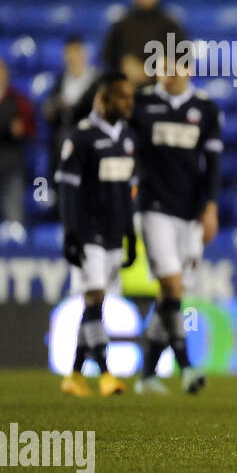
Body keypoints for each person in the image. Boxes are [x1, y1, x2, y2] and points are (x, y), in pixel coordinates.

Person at [128, 61, 222, 395]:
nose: (170, 73)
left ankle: (147, 376)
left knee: (171, 294)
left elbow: (212, 164)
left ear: (188, 68)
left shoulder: (206, 108)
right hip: (154, 208)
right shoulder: (141, 104)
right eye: (163, 66)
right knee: (172, 284)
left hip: (191, 212)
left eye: (177, 66)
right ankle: (187, 367)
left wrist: (210, 207)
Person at [55, 73, 137, 398]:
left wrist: (130, 234)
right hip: (89, 233)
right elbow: (67, 189)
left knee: (94, 305)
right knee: (96, 297)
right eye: (122, 97)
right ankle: (105, 373)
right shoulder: (81, 137)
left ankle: (74, 375)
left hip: (115, 232)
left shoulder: (127, 140)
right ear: (101, 101)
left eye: (130, 97)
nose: (129, 103)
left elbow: (127, 191)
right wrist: (71, 232)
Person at [100, 0, 188, 76]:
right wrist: (123, 65)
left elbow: (184, 61)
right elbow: (107, 58)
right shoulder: (122, 25)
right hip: (127, 85)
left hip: (160, 86)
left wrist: (153, 71)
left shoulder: (170, 26)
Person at [43, 36, 98, 178]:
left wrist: (73, 107)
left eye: (75, 52)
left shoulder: (97, 80)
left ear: (84, 54)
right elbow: (50, 114)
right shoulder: (60, 81)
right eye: (68, 53)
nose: (72, 58)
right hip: (63, 145)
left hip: (90, 143)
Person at [0, 56, 36, 225]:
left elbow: (31, 129)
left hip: (11, 166)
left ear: (5, 74)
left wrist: (21, 129)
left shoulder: (18, 99)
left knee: (14, 220)